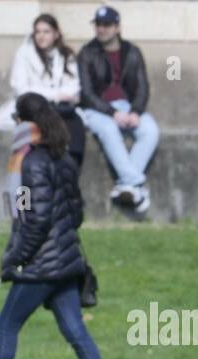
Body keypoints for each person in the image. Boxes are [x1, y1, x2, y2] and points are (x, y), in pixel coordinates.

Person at [0, 93, 117, 359]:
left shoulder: (31, 162)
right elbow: (75, 213)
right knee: (76, 332)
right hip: (66, 264)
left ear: (28, 123)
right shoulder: (64, 159)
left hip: (40, 267)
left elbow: (31, 220)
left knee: (6, 325)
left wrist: (15, 260)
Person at [77, 5, 158, 214]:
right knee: (108, 130)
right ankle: (136, 184)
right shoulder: (87, 53)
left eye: (106, 25)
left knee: (150, 130)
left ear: (117, 27)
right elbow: (86, 93)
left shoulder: (132, 52)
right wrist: (112, 113)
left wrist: (136, 112)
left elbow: (142, 87)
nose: (101, 29)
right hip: (98, 110)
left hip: (128, 107)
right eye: (98, 25)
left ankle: (127, 186)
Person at [12, 15, 87, 168]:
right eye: (38, 32)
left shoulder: (66, 55)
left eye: (46, 31)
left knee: (75, 123)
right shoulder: (24, 54)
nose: (41, 36)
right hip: (33, 108)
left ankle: (71, 167)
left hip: (61, 107)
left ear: (56, 33)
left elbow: (73, 86)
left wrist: (57, 96)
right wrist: (54, 94)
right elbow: (21, 87)